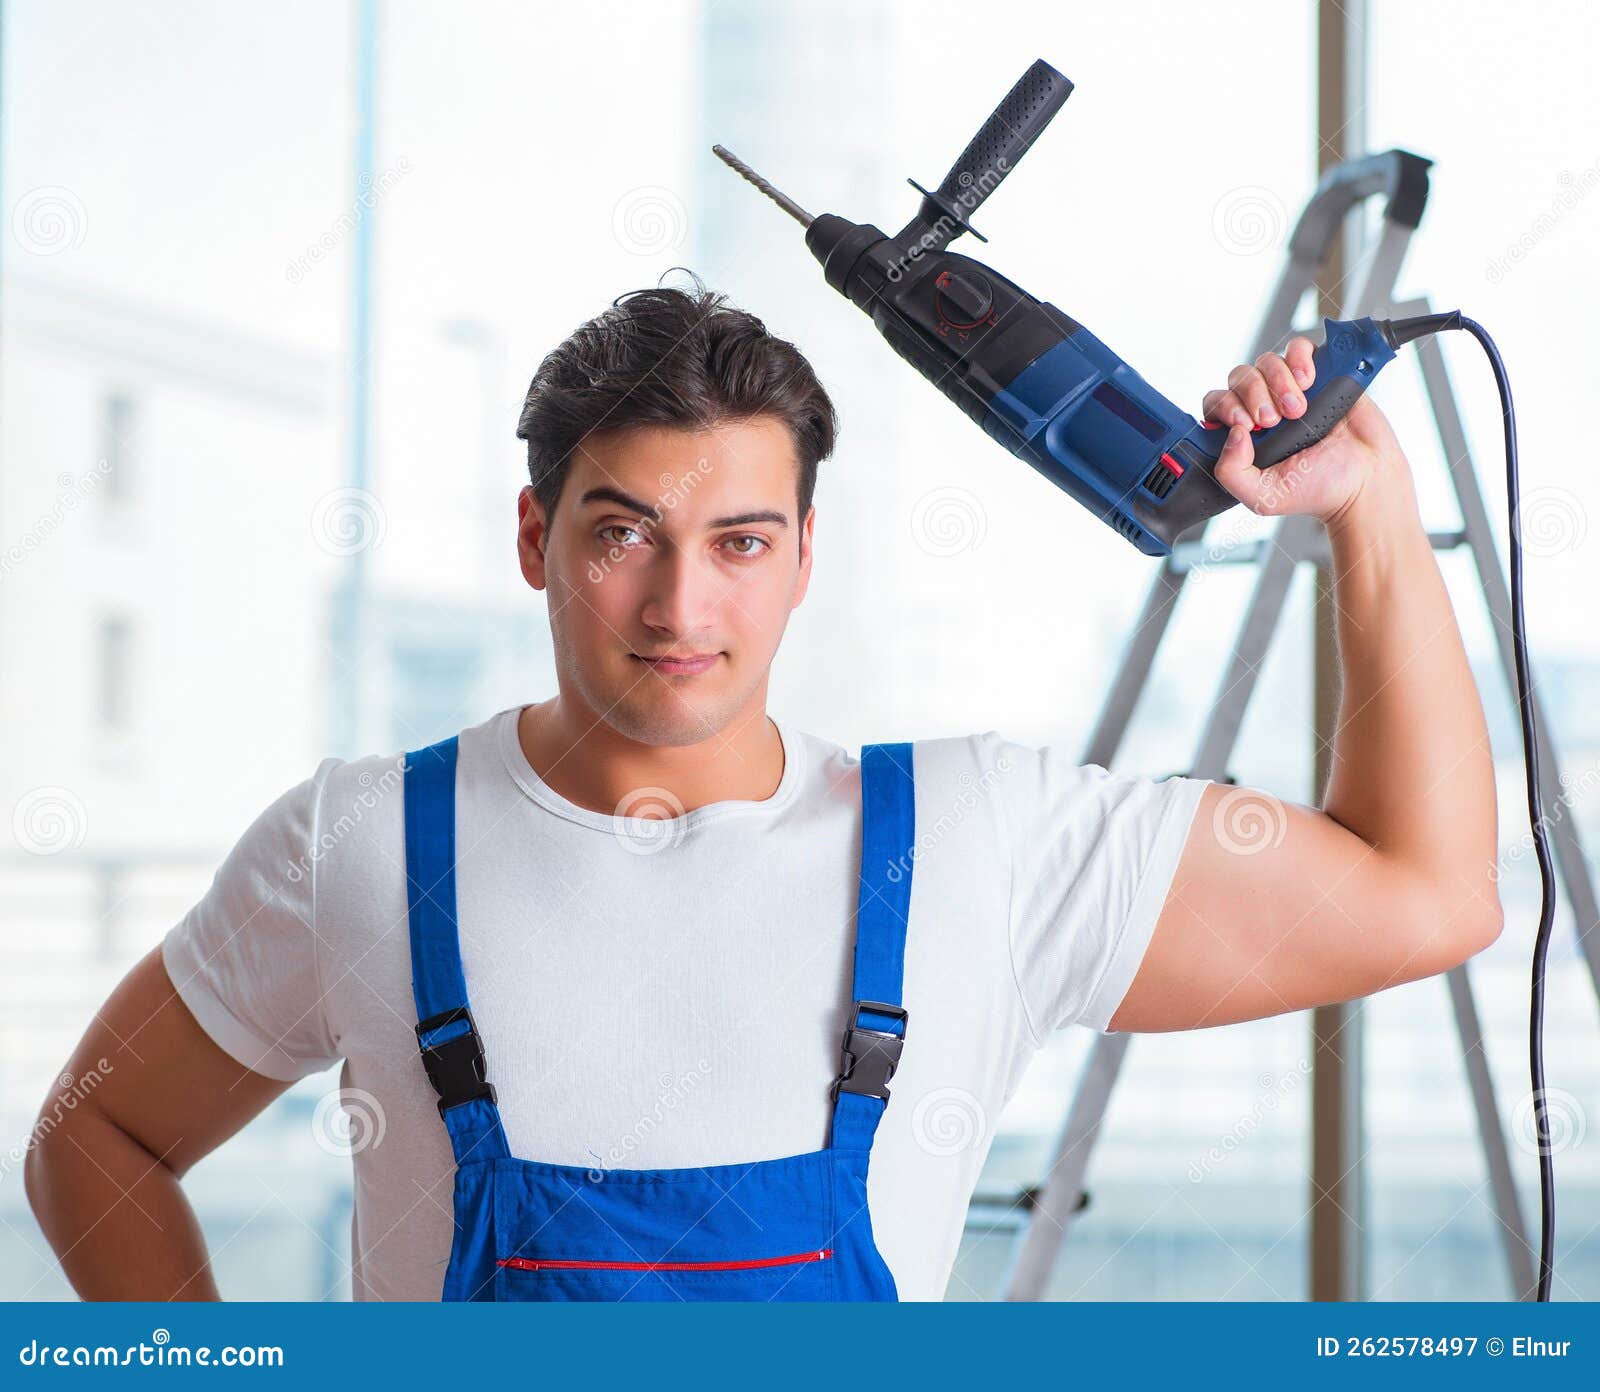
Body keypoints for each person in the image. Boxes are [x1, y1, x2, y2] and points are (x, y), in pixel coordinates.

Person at [24, 278, 1502, 1302]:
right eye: (624, 534)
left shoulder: (981, 846)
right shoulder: (359, 844)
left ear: (806, 553)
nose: (680, 604)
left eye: (738, 541)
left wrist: (1366, 502)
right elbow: (93, 1137)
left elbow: (1426, 894)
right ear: (534, 538)